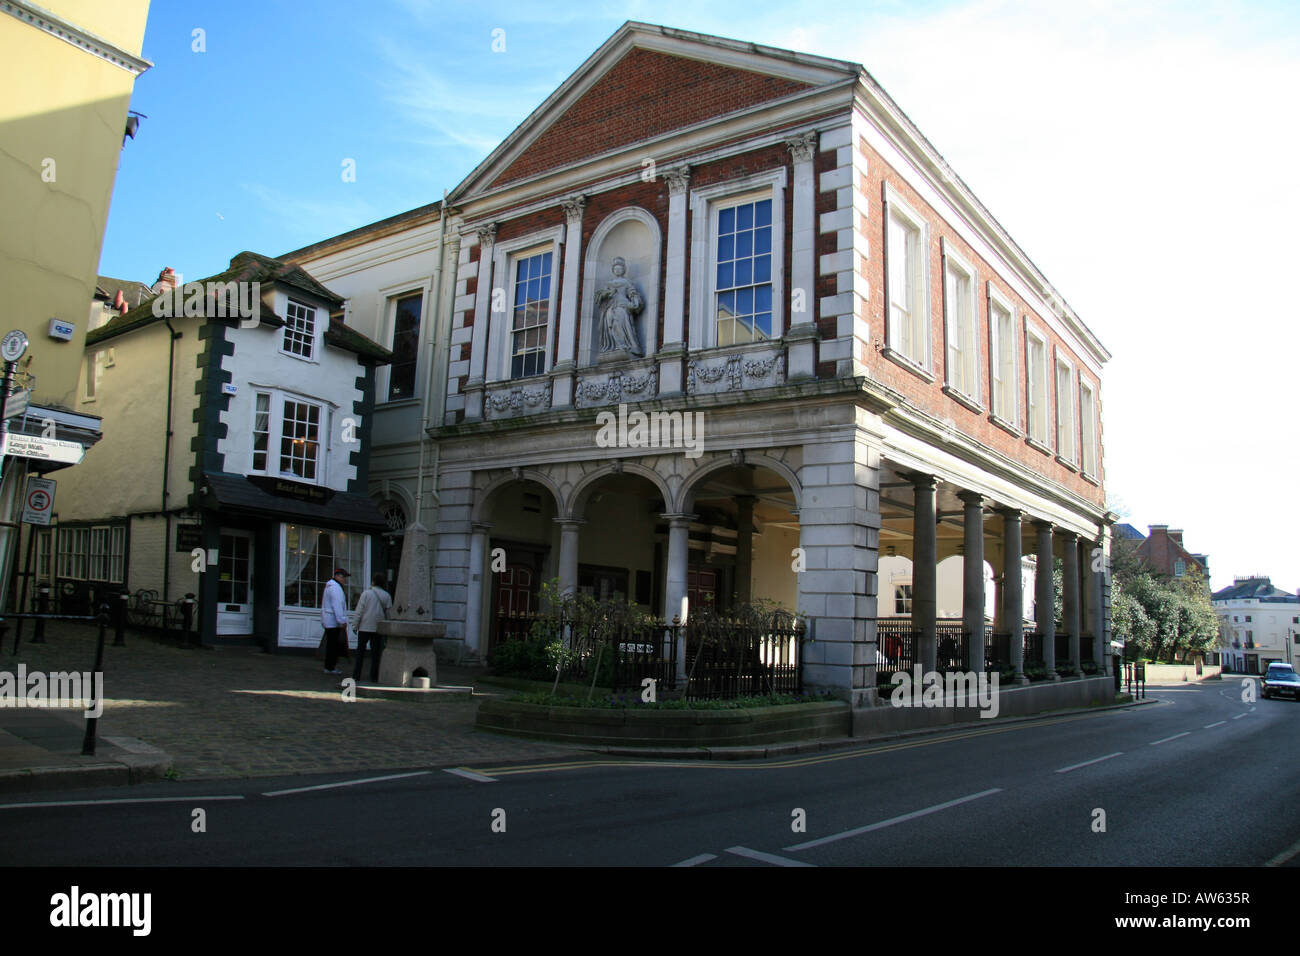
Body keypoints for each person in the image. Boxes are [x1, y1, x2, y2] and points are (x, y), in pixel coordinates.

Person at [351, 572, 392, 684]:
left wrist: (355, 625)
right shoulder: (386, 596)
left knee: (360, 652)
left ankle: (356, 675)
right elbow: (389, 614)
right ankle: (374, 676)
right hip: (378, 627)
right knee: (376, 654)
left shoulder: (366, 594)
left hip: (365, 626)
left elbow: (359, 611)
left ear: (373, 581)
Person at [320, 567, 351, 675]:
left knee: (331, 644)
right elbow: (337, 605)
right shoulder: (335, 588)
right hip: (333, 621)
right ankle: (330, 666)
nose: (344, 580)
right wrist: (342, 620)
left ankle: (329, 666)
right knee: (333, 645)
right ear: (338, 576)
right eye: (343, 577)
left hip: (330, 620)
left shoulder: (330, 586)